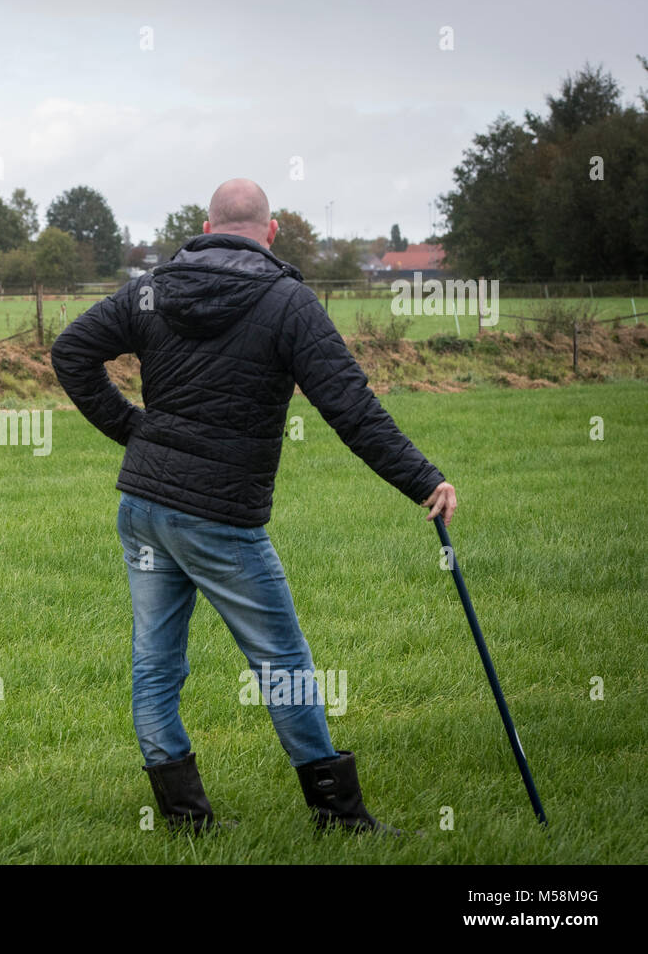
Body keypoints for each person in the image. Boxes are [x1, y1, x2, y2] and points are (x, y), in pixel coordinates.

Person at [51, 179, 456, 836]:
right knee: (284, 664)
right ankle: (340, 816)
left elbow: (70, 350)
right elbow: (350, 405)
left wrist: (135, 431)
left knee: (155, 663)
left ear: (205, 227)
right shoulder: (287, 300)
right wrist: (423, 480)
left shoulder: (152, 287)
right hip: (219, 517)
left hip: (145, 507)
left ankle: (185, 820)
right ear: (271, 233)